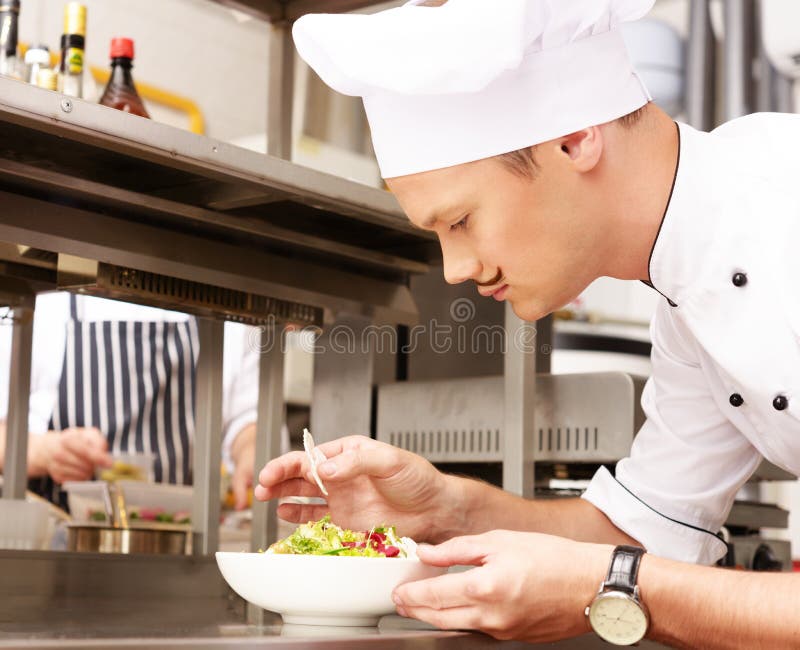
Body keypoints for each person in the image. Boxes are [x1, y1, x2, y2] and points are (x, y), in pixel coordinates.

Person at [255, 0, 800, 647]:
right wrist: (446, 510)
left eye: (460, 221)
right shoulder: (685, 307)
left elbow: (626, 571)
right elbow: (648, 533)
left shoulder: (785, 199)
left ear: (574, 138)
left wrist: (611, 586)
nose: (455, 269)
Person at [0, 291, 273, 510]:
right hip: (59, 539)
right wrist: (43, 451)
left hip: (183, 540)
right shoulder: (43, 297)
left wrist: (251, 457)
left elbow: (246, 419)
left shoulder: (224, 301)